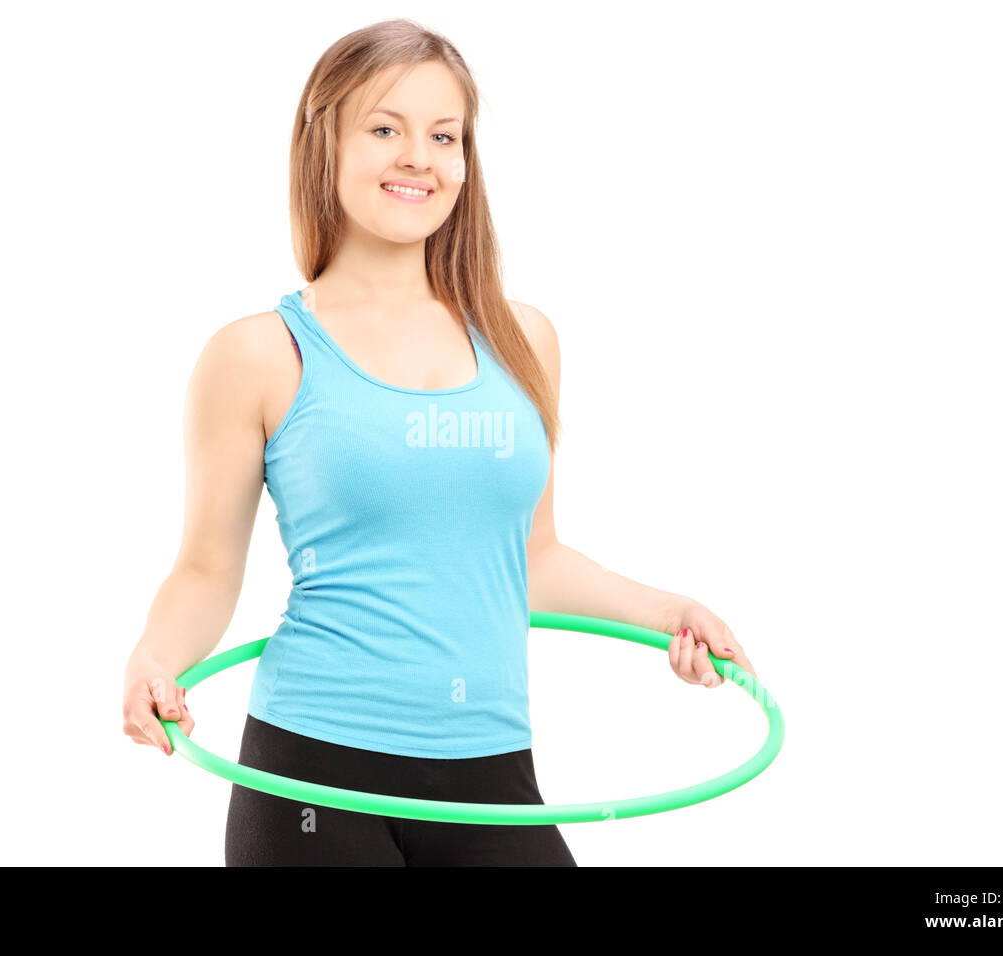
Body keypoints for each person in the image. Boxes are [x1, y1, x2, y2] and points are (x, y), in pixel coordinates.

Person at [121, 18, 758, 867]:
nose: (419, 156)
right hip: (312, 775)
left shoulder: (523, 339)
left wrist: (669, 610)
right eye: (385, 128)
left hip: (491, 773)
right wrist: (153, 658)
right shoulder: (256, 356)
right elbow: (205, 570)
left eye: (444, 135)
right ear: (327, 146)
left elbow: (530, 558)